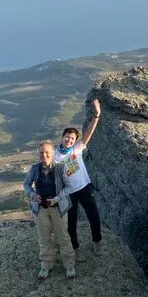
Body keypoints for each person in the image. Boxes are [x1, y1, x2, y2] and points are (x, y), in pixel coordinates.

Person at [54, 98, 103, 261]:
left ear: (75, 141)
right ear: (62, 137)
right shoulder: (54, 154)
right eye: (67, 137)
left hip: (84, 187)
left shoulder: (77, 148)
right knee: (71, 223)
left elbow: (89, 133)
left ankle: (97, 241)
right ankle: (75, 248)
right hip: (68, 193)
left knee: (94, 215)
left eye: (72, 139)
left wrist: (96, 116)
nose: (69, 140)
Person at [23, 141, 77, 280]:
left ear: (53, 153)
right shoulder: (35, 169)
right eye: (41, 153)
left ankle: (69, 265)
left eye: (47, 152)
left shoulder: (60, 168)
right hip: (41, 209)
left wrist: (57, 198)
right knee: (44, 238)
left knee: (63, 237)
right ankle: (46, 265)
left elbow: (69, 186)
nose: (44, 155)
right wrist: (32, 195)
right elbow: (26, 184)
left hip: (58, 208)